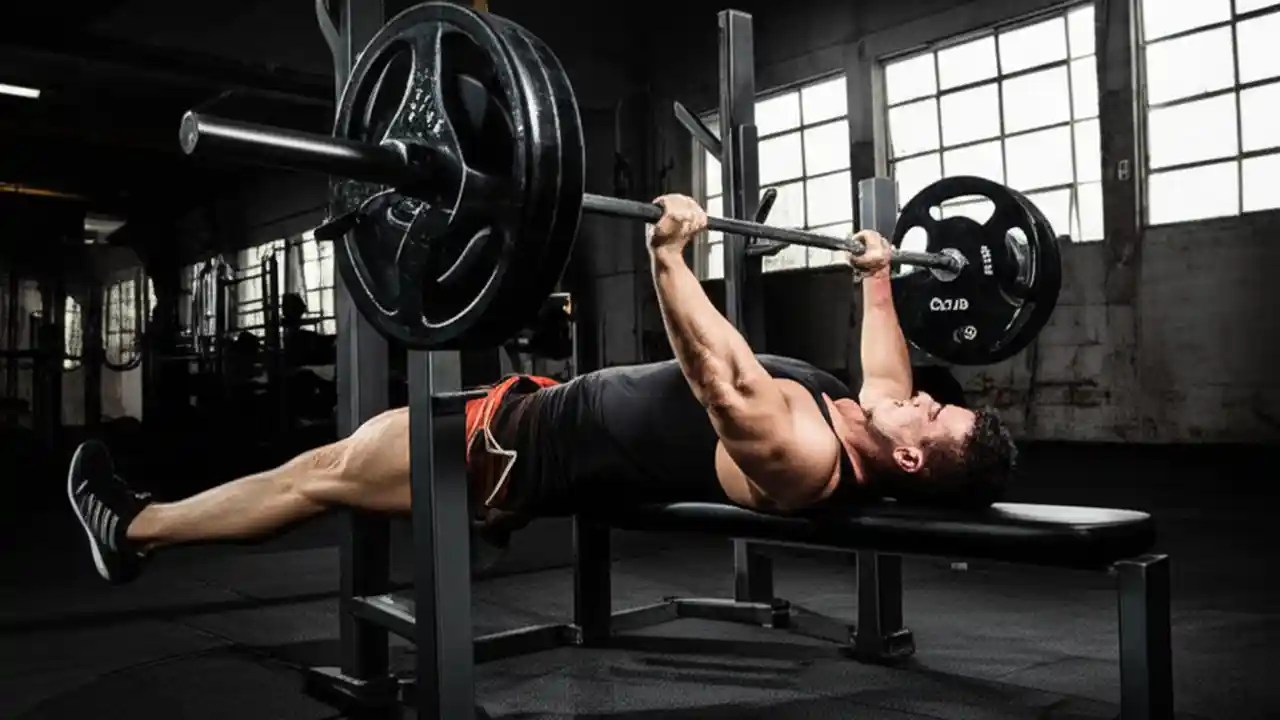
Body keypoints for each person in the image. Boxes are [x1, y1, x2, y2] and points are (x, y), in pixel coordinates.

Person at [68, 195, 1016, 584]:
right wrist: (877, 274)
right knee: (325, 470)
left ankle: (135, 530)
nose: (923, 395)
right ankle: (145, 527)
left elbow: (720, 374)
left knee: (318, 472)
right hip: (538, 412)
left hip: (515, 453)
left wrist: (669, 254)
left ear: (905, 455)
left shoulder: (804, 455)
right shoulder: (866, 419)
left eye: (933, 414)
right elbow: (888, 368)